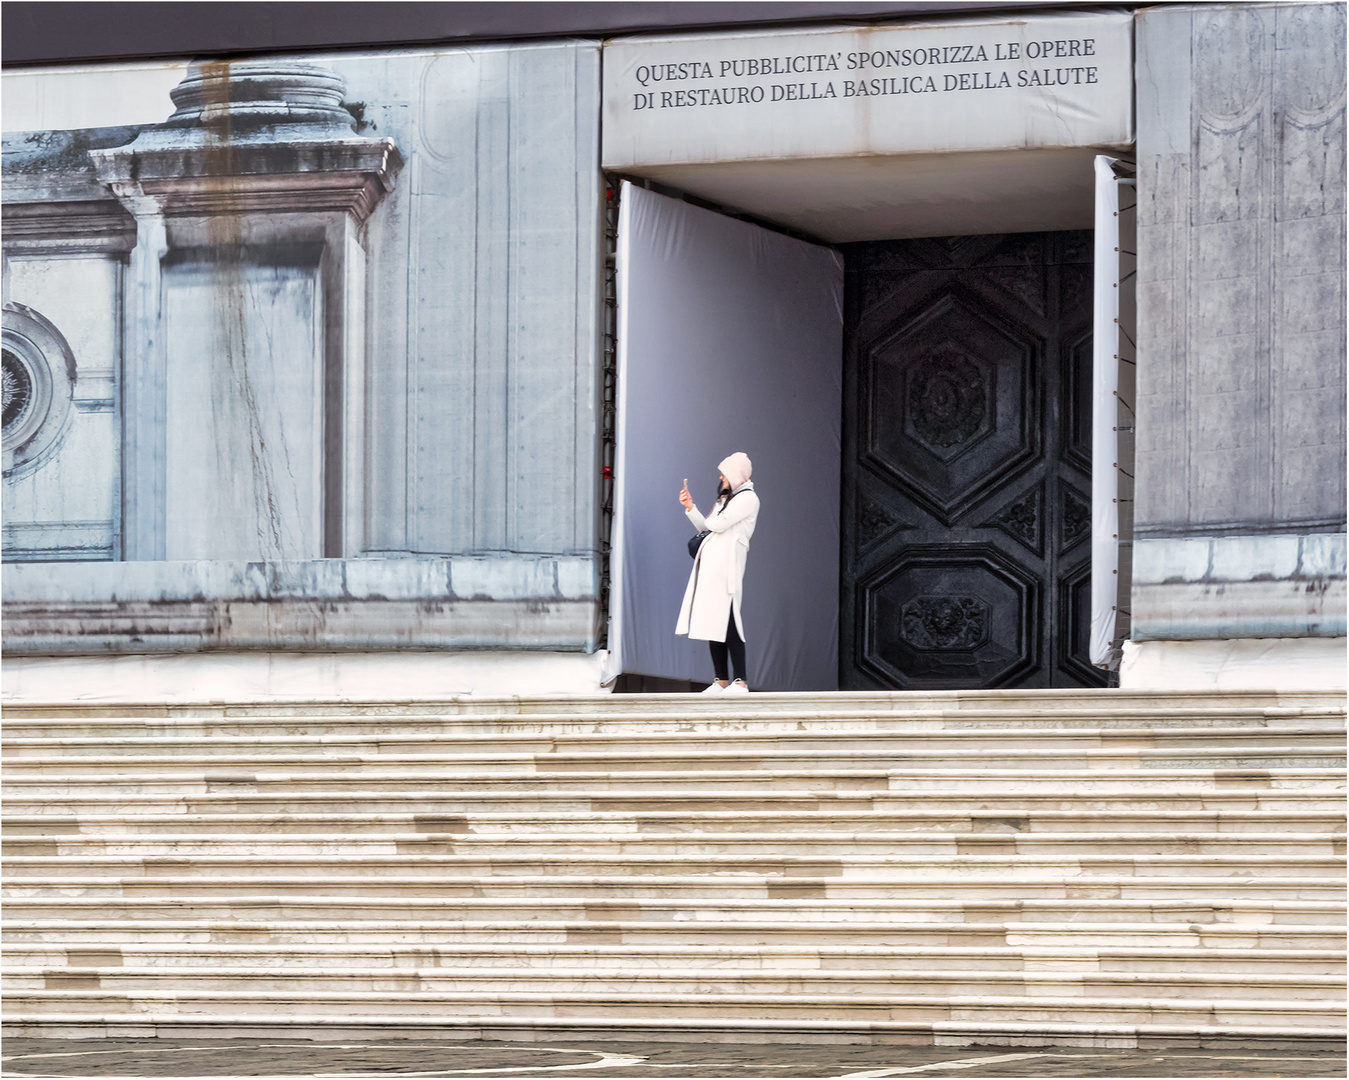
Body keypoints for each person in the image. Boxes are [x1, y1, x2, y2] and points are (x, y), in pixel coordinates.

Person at [676, 451, 760, 694]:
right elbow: (706, 528)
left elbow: (717, 524)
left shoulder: (747, 499)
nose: (721, 477)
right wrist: (691, 508)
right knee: (714, 622)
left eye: (724, 473)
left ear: (735, 474)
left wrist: (717, 511)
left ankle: (740, 680)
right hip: (713, 568)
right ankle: (721, 680)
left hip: (728, 570)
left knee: (731, 620)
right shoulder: (728, 499)